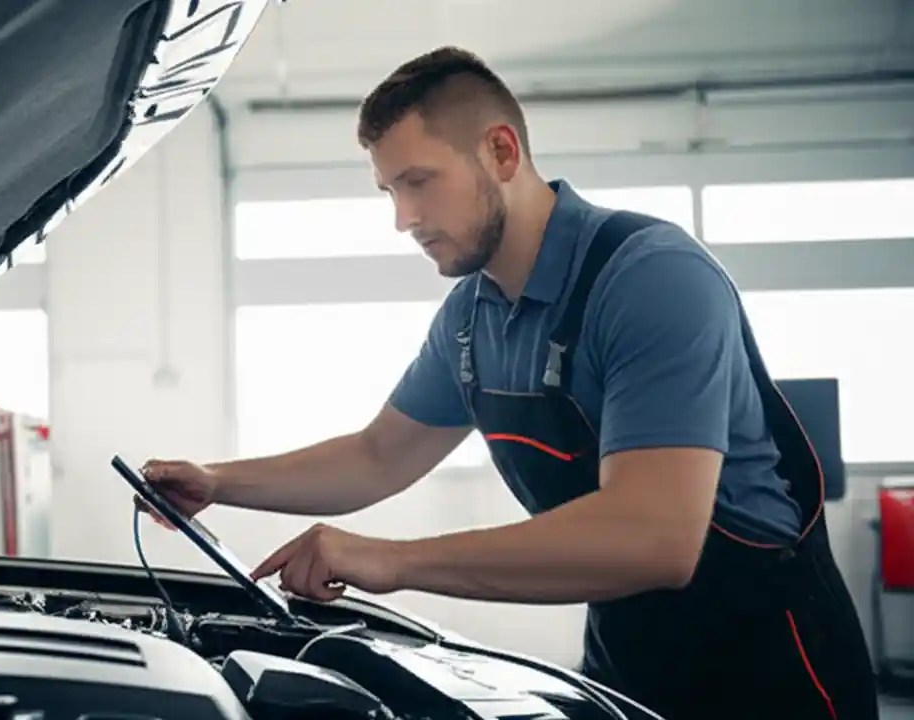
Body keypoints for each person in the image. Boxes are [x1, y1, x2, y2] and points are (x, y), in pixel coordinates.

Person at [137, 46, 878, 719]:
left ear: (500, 151)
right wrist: (215, 481)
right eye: (388, 190)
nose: (402, 218)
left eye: (419, 182)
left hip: (770, 666)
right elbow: (377, 455)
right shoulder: (471, 318)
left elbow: (654, 536)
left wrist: (391, 560)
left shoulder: (652, 279)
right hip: (627, 651)